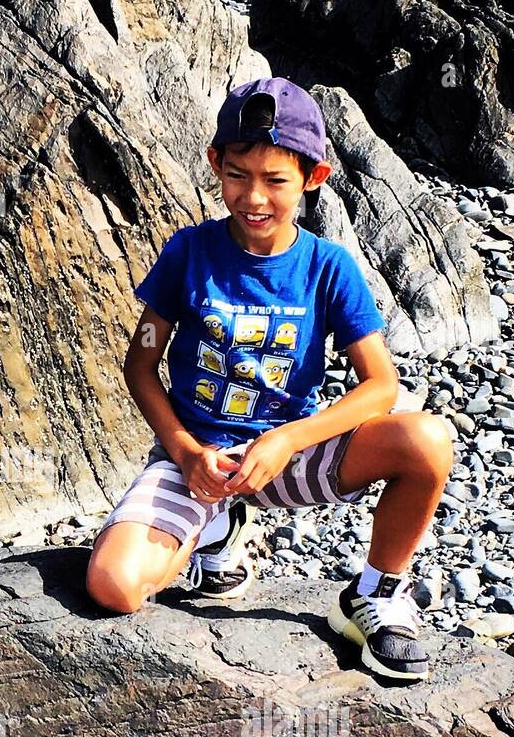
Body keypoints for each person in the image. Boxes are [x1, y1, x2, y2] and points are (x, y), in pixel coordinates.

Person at [85, 77, 454, 682]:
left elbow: (381, 386)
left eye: (275, 181)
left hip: (290, 454)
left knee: (428, 441)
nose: (253, 197)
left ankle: (375, 594)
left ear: (314, 177)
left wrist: (287, 439)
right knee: (113, 585)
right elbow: (140, 362)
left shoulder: (327, 266)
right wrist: (183, 451)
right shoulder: (188, 253)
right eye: (236, 175)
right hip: (198, 460)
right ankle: (215, 534)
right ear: (214, 164)